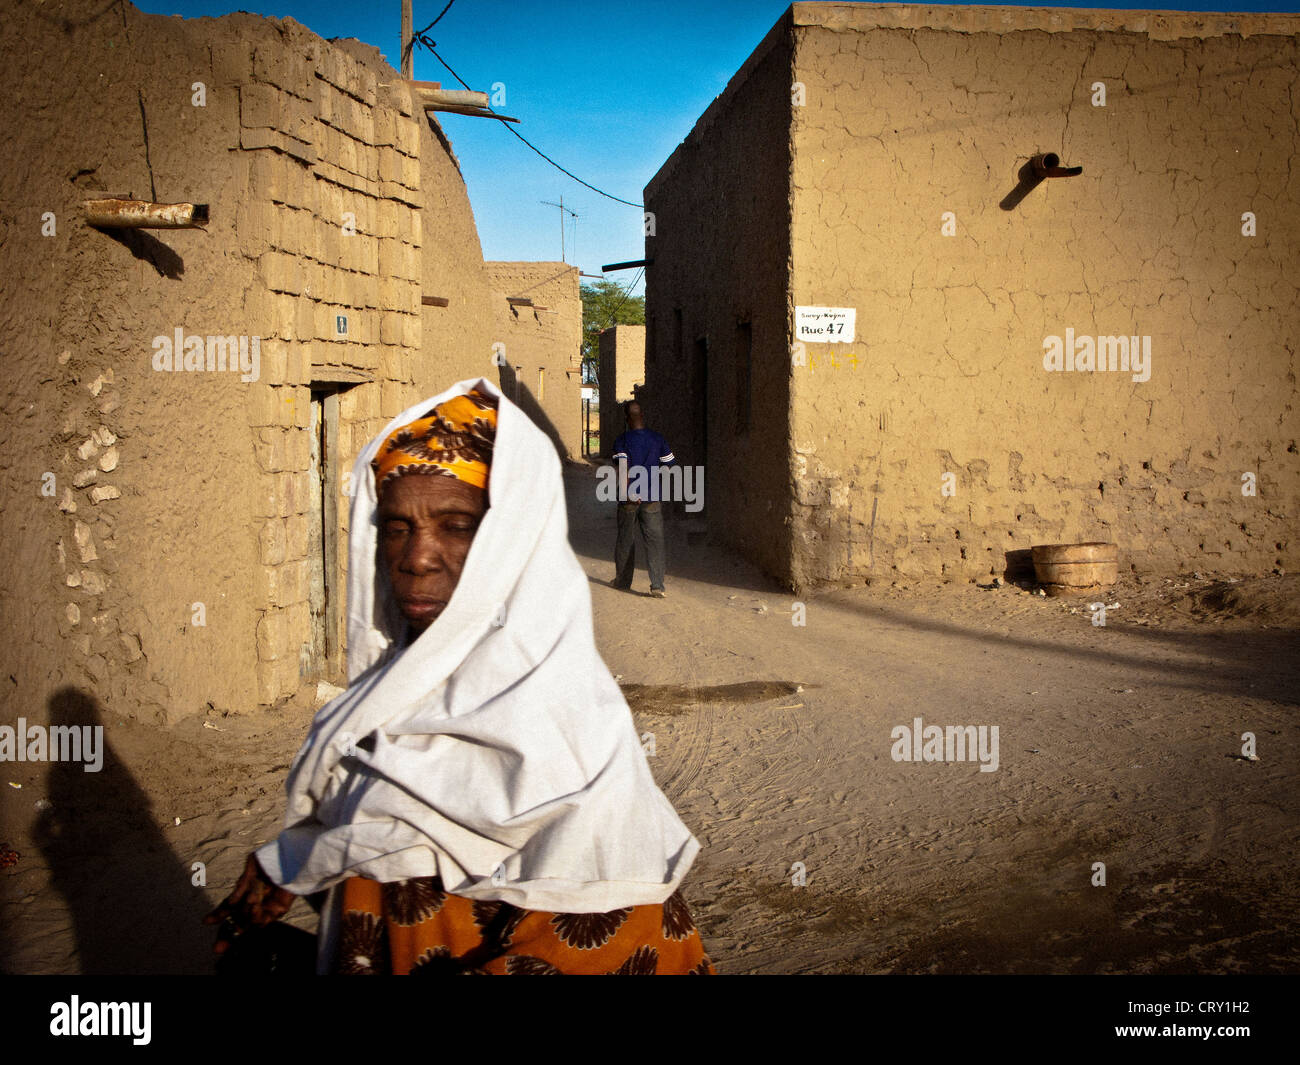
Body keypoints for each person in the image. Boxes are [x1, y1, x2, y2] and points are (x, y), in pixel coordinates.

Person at [206, 379, 713, 974]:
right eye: (397, 527)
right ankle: (647, 576)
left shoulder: (583, 759)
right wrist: (294, 859)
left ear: (515, 541)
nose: (416, 556)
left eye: (456, 525)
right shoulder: (379, 709)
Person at [610, 400, 674, 598]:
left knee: (626, 540)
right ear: (642, 416)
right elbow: (669, 465)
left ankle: (622, 582)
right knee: (655, 541)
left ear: (627, 418)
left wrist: (629, 492)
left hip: (629, 499)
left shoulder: (622, 441)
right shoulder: (658, 439)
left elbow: (623, 467)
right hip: (652, 497)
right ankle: (657, 586)